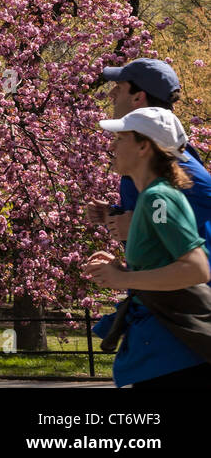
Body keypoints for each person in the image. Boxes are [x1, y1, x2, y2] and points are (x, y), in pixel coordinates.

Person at [86, 107, 211, 387]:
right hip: (164, 352)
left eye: (120, 139)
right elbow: (165, 264)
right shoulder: (151, 199)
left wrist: (123, 278)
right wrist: (121, 267)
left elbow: (196, 268)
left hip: (174, 357)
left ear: (144, 145)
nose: (112, 145)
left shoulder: (158, 200)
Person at [87, 58, 211, 260]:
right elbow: (164, 212)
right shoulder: (142, 152)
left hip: (184, 288)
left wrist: (138, 224)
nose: (111, 94)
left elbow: (207, 199)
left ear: (138, 98)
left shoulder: (169, 155)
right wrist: (114, 214)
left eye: (119, 87)